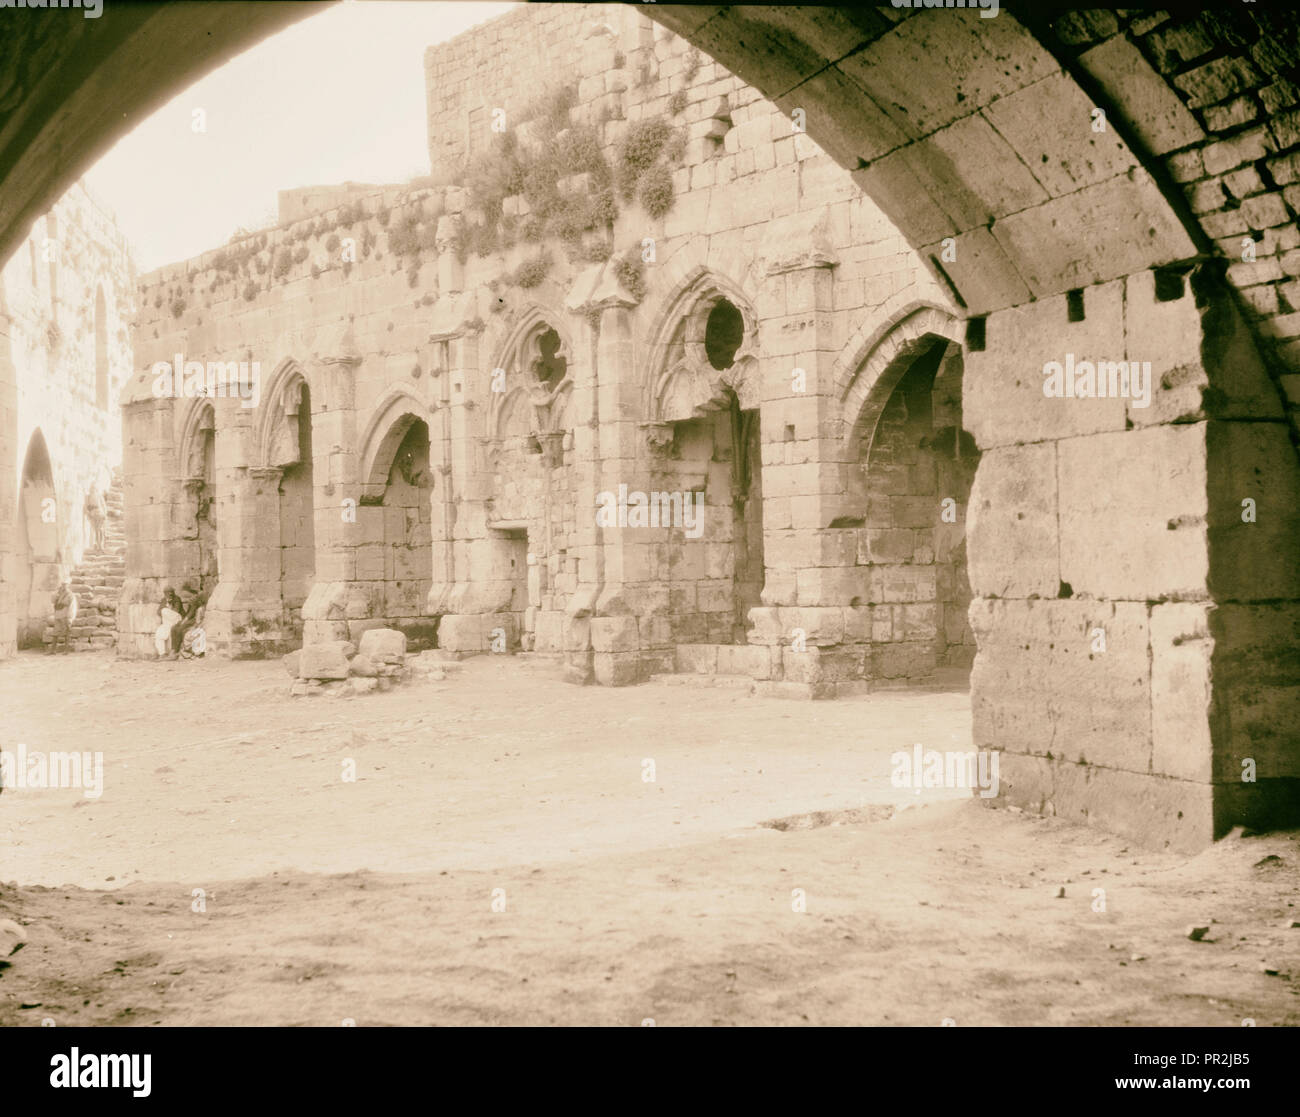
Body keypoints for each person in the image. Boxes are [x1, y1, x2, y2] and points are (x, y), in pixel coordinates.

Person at [171, 585, 209, 655]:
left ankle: (176, 650)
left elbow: (191, 614)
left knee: (180, 629)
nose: (187, 599)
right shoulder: (192, 600)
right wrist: (182, 621)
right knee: (174, 628)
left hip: (193, 620)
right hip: (190, 619)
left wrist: (183, 622)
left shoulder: (196, 601)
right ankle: (173, 649)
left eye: (188, 597)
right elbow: (187, 614)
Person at [48, 581, 77, 654]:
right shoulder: (58, 594)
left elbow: (72, 607)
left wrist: (70, 617)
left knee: (66, 632)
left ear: (68, 585)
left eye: (65, 585)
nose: (63, 586)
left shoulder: (70, 595)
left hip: (65, 615)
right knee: (55, 633)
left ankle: (66, 650)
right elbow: (52, 601)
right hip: (58, 615)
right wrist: (56, 593)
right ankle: (52, 650)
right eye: (62, 585)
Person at [155, 588, 182, 659]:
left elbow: (176, 611)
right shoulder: (163, 600)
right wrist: (166, 604)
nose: (170, 595)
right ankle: (162, 653)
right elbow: (158, 612)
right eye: (168, 593)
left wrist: (169, 605)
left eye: (171, 593)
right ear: (165, 594)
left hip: (177, 619)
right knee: (159, 633)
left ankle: (169, 653)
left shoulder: (177, 599)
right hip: (167, 622)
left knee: (164, 610)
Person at [84, 483, 107, 552]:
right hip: (92, 514)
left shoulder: (99, 496)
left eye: (94, 488)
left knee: (101, 529)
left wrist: (105, 514)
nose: (92, 489)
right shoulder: (88, 497)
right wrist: (88, 514)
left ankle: (101, 545)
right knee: (96, 530)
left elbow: (104, 505)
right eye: (91, 488)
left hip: (100, 512)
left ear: (96, 489)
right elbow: (86, 506)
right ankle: (98, 545)